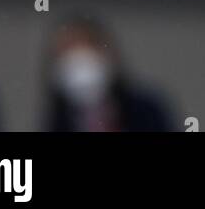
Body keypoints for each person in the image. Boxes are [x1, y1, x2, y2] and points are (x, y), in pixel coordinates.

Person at [43, 16, 171, 132]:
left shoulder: (146, 111)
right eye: (67, 52)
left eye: (87, 47)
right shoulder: (57, 118)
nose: (78, 61)